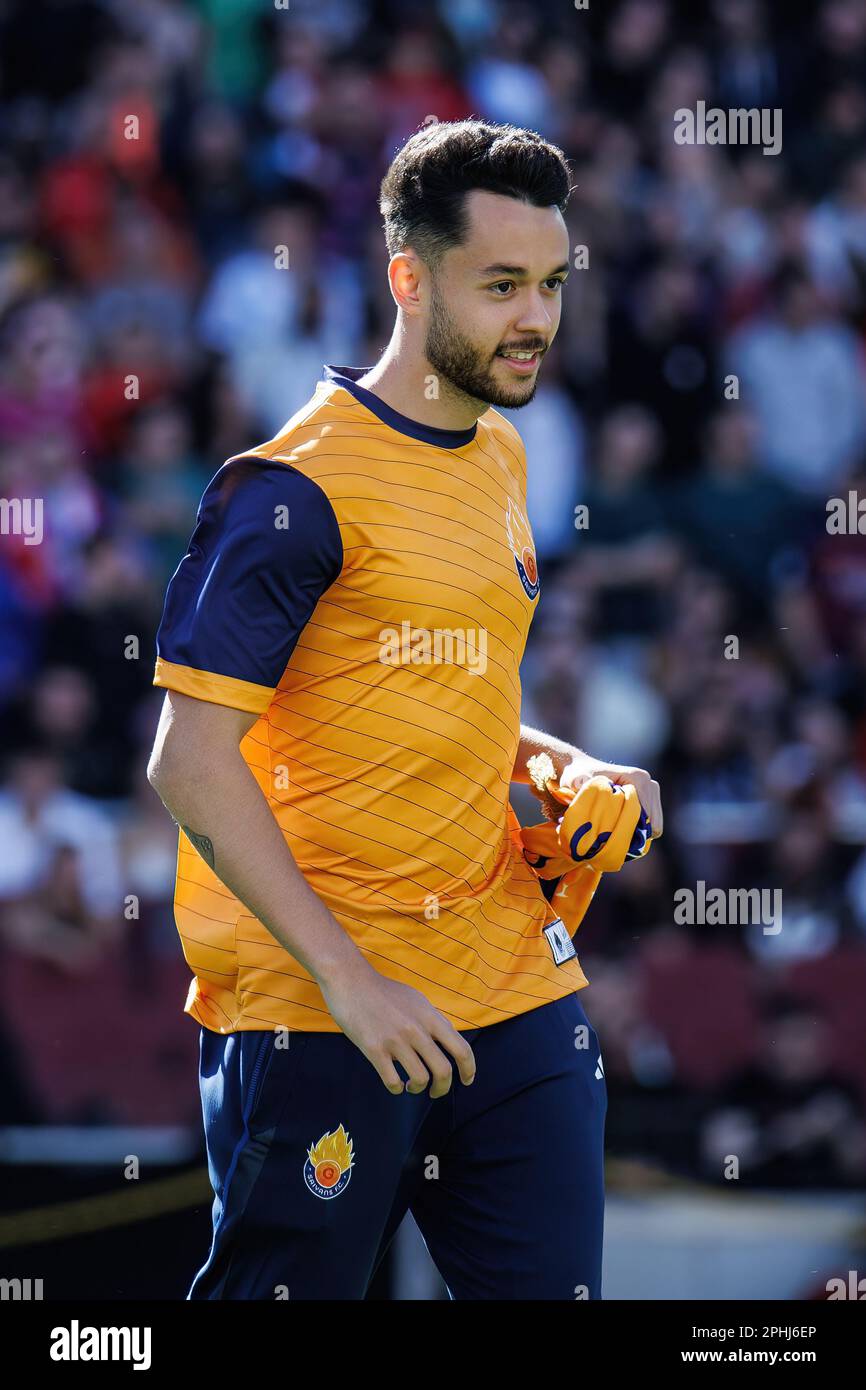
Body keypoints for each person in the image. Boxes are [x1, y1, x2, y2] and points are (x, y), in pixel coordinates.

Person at [147, 119, 662, 1301]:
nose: (534, 317)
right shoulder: (289, 490)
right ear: (407, 278)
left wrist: (573, 770)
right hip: (322, 1008)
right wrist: (349, 980)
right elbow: (188, 760)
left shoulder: (501, 457)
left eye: (548, 285)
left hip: (514, 985)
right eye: (499, 286)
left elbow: (450, 705)